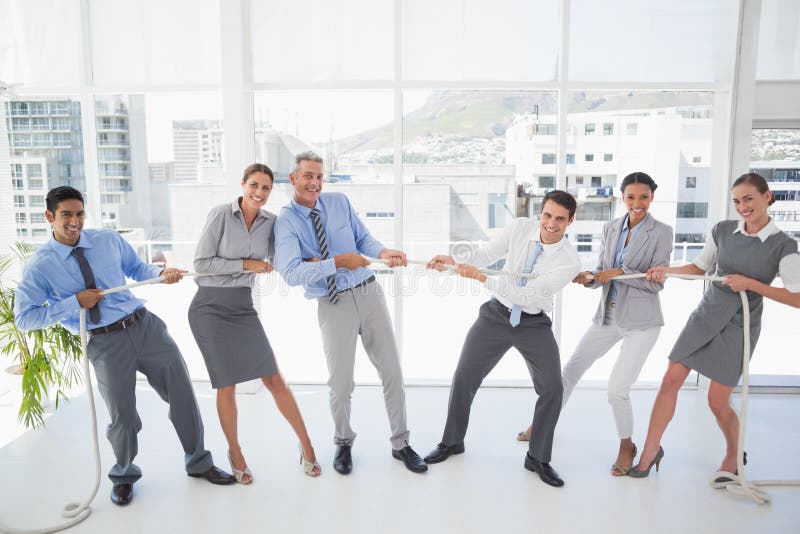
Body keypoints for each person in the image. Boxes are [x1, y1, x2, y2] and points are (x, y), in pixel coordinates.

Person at [14, 186, 236, 507]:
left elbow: (138, 269)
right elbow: (25, 318)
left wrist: (161, 273)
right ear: (49, 217)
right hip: (104, 342)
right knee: (123, 416)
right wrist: (73, 302)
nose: (75, 221)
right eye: (66, 215)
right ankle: (124, 475)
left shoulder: (107, 240)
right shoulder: (40, 266)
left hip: (145, 326)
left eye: (79, 213)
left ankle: (199, 462)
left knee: (183, 393)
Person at [630, 173, 800, 478]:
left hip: (740, 324)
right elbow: (699, 268)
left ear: (767, 196)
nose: (742, 207)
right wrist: (666, 271)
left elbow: (797, 297)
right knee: (670, 379)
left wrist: (752, 284)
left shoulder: (783, 245)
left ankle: (733, 455)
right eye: (737, 201)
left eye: (749, 199)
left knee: (716, 400)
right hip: (707, 313)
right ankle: (650, 451)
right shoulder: (722, 230)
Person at [274, 151, 427, 475]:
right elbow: (289, 273)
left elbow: (363, 239)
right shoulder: (286, 221)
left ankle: (401, 443)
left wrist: (383, 252)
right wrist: (338, 262)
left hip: (369, 292)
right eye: (307, 176)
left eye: (319, 176)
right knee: (341, 383)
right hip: (333, 303)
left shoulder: (339, 202)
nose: (314, 183)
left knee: (392, 372)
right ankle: (343, 441)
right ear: (293, 178)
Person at [516, 172, 673, 476]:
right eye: (630, 196)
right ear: (622, 197)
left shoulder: (662, 232)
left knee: (616, 390)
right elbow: (603, 272)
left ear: (652, 197)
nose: (637, 203)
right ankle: (542, 424)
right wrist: (589, 278)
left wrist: (618, 272)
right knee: (569, 371)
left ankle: (627, 445)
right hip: (608, 316)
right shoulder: (611, 227)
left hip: (642, 322)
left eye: (643, 197)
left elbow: (655, 284)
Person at [423, 190, 581, 487]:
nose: (551, 223)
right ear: (541, 213)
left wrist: (482, 278)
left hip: (533, 323)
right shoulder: (521, 228)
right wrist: (455, 259)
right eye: (547, 215)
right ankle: (452, 442)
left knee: (552, 388)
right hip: (496, 315)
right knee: (464, 376)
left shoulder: (569, 261)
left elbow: (527, 295)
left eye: (560, 219)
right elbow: (486, 254)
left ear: (570, 221)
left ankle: (538, 457)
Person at [189, 163, 320, 484]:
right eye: (254, 185)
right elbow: (201, 264)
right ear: (243, 184)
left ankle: (307, 446)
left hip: (242, 308)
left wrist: (309, 260)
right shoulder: (221, 214)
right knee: (227, 385)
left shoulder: (271, 223)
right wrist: (245, 264)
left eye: (265, 188)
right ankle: (235, 452)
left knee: (274, 379)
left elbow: (281, 258)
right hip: (208, 308)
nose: (259, 193)